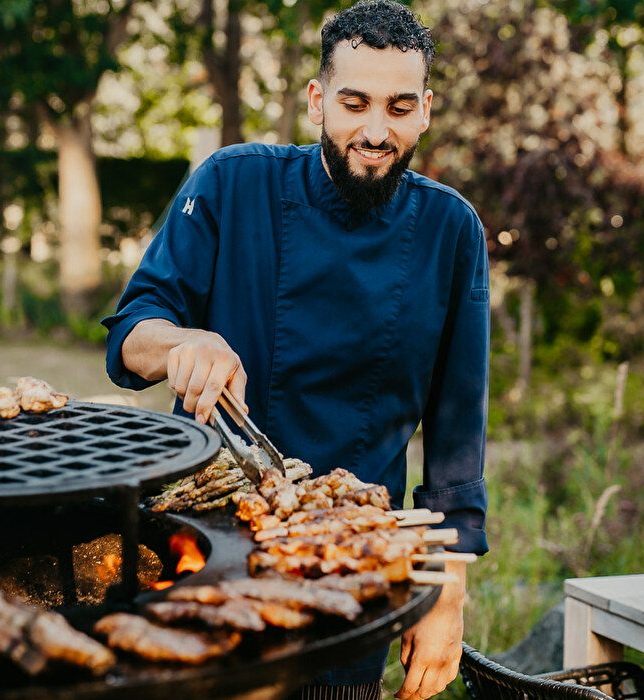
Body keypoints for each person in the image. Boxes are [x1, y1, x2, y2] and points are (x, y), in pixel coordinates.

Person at [103, 1, 489, 698]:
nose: (376, 131)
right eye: (355, 103)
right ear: (317, 100)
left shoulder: (450, 229)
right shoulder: (231, 184)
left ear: (426, 110)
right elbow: (133, 334)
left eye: (400, 108)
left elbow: (458, 432)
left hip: (350, 565)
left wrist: (448, 588)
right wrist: (184, 340)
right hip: (203, 551)